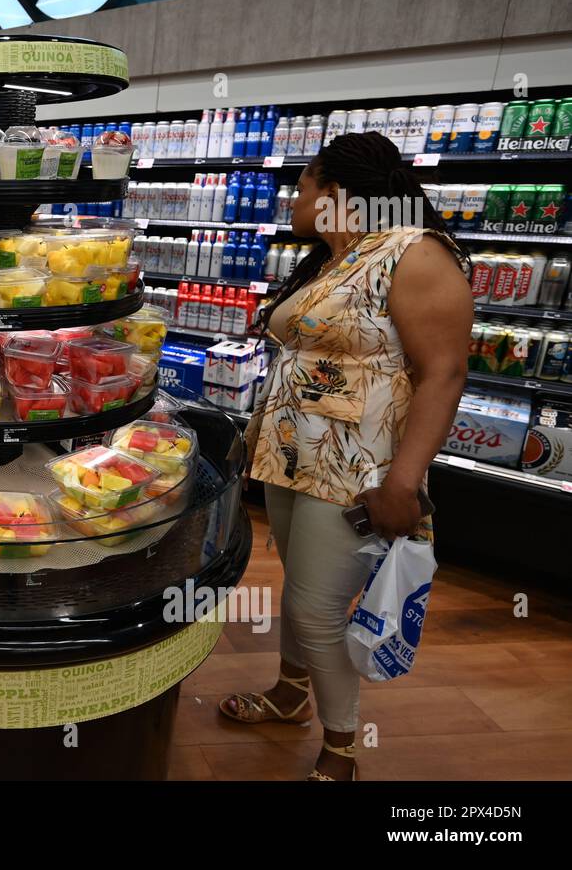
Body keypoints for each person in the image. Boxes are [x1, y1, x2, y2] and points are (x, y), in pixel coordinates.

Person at [221, 132, 472, 780]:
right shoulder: (334, 259)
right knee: (303, 588)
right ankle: (290, 693)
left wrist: (404, 484)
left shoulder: (413, 254)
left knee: (316, 609)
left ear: (335, 191)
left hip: (359, 469)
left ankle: (341, 750)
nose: (293, 198)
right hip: (292, 456)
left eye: (302, 186)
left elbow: (444, 372)